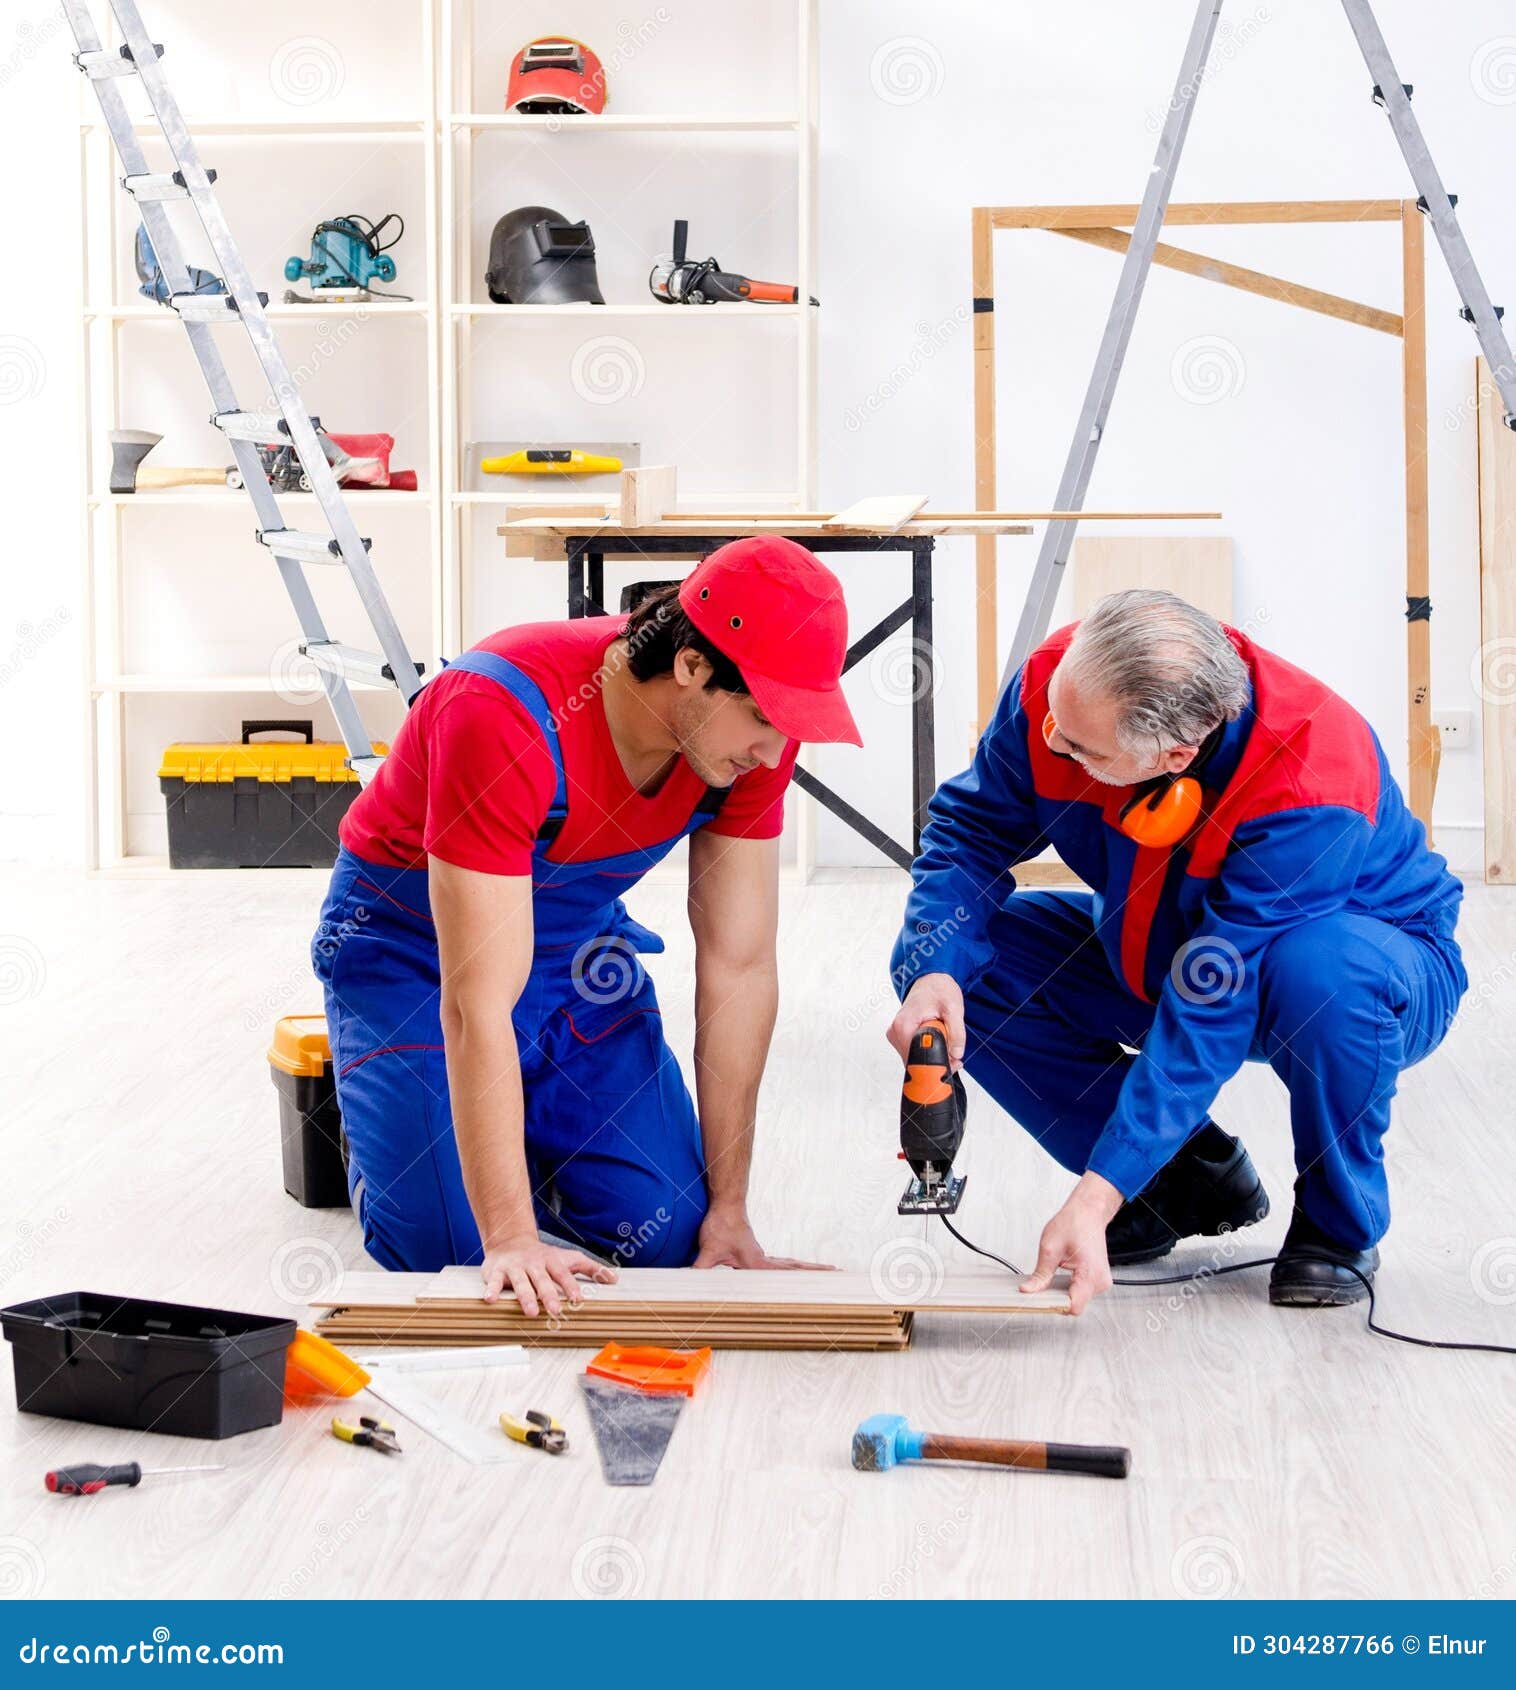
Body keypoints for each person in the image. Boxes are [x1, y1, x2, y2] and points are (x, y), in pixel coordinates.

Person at [315, 535, 861, 1315]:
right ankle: (396, 1116)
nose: (776, 751)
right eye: (764, 717)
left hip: (574, 957)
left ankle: (513, 1138)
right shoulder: (499, 708)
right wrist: (507, 1233)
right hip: (416, 955)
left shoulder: (749, 744)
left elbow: (739, 966)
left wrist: (731, 1211)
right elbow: (477, 1004)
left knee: (675, 1237)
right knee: (451, 1256)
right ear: (693, 666)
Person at [887, 589, 1466, 1314]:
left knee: (1322, 969)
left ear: (1176, 753)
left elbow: (1212, 995)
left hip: (1363, 972)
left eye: (1079, 749)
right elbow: (971, 832)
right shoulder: (1063, 690)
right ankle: (1182, 1180)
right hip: (1160, 939)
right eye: (1054, 728)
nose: (1052, 745)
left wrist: (1093, 1196)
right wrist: (934, 968)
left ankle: (1336, 1224)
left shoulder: (1312, 778)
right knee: (965, 964)